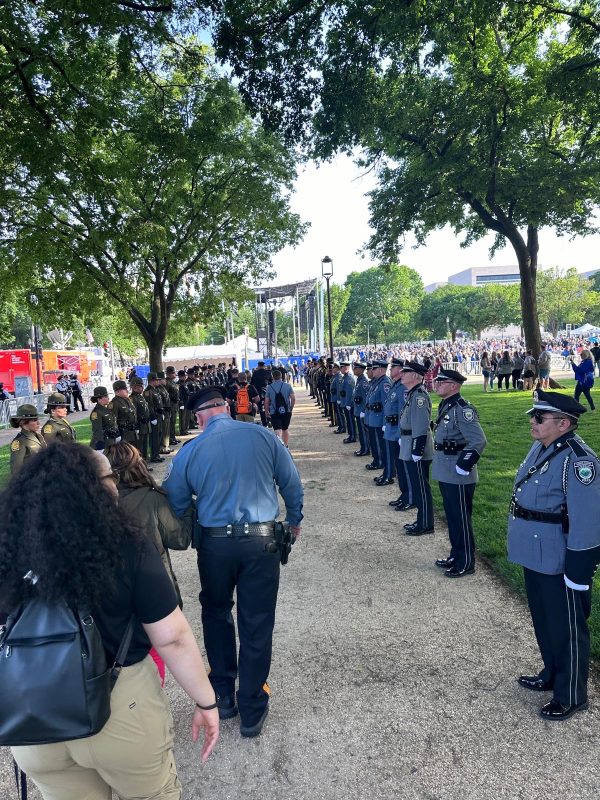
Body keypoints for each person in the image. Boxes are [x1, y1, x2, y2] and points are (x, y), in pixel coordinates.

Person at [1, 441, 219, 799]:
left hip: (35, 714)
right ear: (95, 486)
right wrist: (205, 700)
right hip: (119, 706)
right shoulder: (126, 544)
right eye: (109, 477)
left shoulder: (8, 548)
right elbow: (172, 638)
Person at [163, 385, 304, 738]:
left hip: (214, 544)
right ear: (227, 407)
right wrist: (295, 518)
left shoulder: (190, 451)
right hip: (261, 541)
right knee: (257, 621)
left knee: (216, 613)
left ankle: (223, 694)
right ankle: (252, 706)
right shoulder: (264, 436)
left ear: (199, 417)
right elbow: (290, 482)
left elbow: (176, 503)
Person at [508, 390, 600, 720]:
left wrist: (579, 571)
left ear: (563, 423)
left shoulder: (579, 460)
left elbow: (588, 520)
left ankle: (572, 694)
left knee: (567, 628)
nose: (532, 421)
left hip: (560, 557)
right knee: (545, 620)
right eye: (533, 415)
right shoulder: (543, 446)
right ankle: (552, 672)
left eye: (539, 417)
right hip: (536, 551)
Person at [432, 369, 487, 577]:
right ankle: (456, 554)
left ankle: (466, 562)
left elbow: (478, 440)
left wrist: (464, 465)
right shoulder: (447, 405)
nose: (437, 384)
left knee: (461, 518)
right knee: (453, 517)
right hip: (446, 470)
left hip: (458, 473)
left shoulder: (463, 409)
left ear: (454, 385)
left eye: (441, 382)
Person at [399, 362, 434, 535]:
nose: (402, 374)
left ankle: (426, 524)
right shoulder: (413, 394)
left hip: (417, 448)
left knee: (421, 488)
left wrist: (417, 450)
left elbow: (420, 426)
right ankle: (421, 520)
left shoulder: (419, 396)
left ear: (415, 375)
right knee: (418, 486)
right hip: (409, 444)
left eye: (406, 372)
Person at [9, 404, 47, 474]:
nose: (38, 423)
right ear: (23, 422)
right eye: (34, 420)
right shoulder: (19, 442)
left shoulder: (39, 436)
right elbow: (16, 470)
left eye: (37, 419)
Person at [264, 368, 295, 447]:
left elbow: (266, 401)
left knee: (277, 429)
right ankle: (286, 445)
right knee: (285, 429)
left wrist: (266, 412)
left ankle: (280, 446)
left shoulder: (269, 387)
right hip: (286, 410)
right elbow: (293, 398)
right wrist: (291, 408)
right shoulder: (288, 386)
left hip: (274, 411)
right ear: (281, 376)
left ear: (272, 377)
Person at [108, 380, 139, 446]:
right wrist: (117, 434)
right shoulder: (114, 403)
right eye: (124, 389)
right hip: (124, 433)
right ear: (117, 391)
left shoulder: (127, 400)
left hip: (132, 432)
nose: (127, 391)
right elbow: (113, 420)